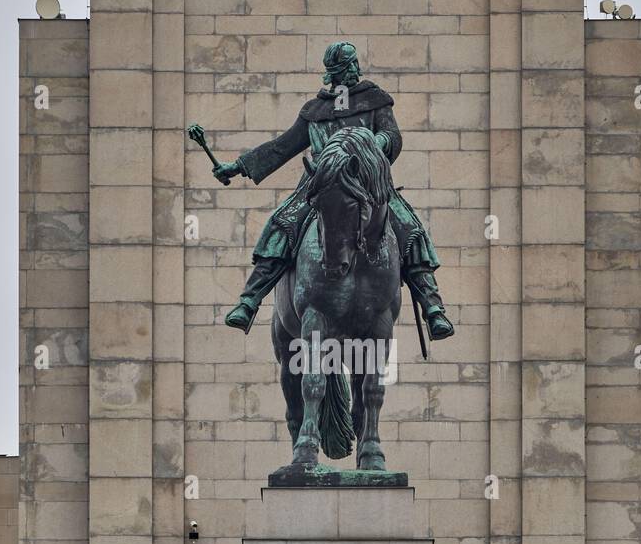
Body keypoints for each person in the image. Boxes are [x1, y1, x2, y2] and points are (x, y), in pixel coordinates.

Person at [187, 41, 454, 341]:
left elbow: (392, 136)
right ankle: (249, 299)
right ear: (335, 72)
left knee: (410, 228)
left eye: (355, 63)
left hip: (369, 185)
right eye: (348, 66)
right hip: (321, 186)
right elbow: (282, 147)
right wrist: (237, 166)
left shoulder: (375, 99)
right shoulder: (316, 110)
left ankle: (433, 307)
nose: (355, 69)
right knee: (281, 224)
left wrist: (370, 146)